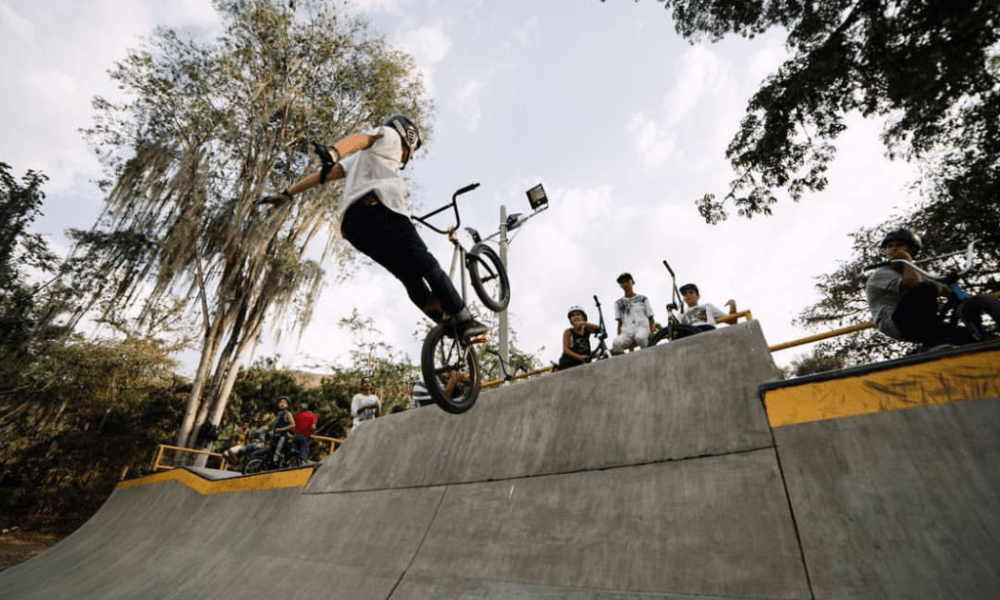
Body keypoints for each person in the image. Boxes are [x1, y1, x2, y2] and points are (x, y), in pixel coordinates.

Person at [260, 115, 487, 341]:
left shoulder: (361, 161)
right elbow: (363, 138)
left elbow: (325, 175)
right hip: (381, 210)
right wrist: (334, 152)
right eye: (409, 153)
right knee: (427, 264)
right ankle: (464, 319)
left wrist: (287, 194)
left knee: (410, 277)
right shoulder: (391, 137)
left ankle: (445, 324)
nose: (403, 159)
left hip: (354, 227)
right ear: (408, 139)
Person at [865, 228, 971, 348]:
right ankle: (932, 342)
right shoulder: (881, 273)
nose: (894, 249)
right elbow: (913, 284)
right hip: (896, 323)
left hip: (922, 322)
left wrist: (955, 287)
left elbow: (949, 291)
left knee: (970, 335)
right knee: (926, 287)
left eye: (900, 245)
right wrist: (906, 259)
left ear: (913, 249)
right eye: (889, 246)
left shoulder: (917, 272)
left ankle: (935, 343)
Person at [611, 273, 656, 355]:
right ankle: (625, 361)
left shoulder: (643, 299)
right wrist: (618, 335)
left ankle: (650, 355)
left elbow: (650, 317)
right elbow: (619, 322)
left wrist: (652, 333)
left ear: (633, 282)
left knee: (640, 338)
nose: (625, 284)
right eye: (622, 283)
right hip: (626, 331)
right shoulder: (618, 303)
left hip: (642, 328)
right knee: (616, 343)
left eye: (627, 281)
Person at [558, 305, 601, 370]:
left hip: (584, 358)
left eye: (578, 315)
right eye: (573, 316)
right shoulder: (568, 332)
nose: (575, 317)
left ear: (583, 317)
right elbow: (566, 350)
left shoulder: (587, 330)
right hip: (570, 361)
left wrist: (584, 323)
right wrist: (580, 357)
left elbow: (599, 329)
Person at [270, 397, 295, 462]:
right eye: (281, 402)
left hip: (283, 436)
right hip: (276, 436)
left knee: (277, 453)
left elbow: (293, 425)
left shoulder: (288, 414)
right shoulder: (279, 414)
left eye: (284, 402)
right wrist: (272, 430)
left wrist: (281, 429)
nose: (282, 404)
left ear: (287, 405)